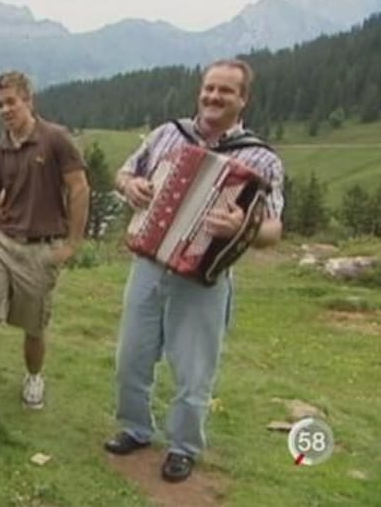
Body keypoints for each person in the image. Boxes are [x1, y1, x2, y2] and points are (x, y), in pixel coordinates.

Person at [103, 59, 285, 483]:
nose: (213, 97)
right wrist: (130, 185)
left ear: (243, 99)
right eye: (209, 89)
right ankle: (135, 427)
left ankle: (183, 446)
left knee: (194, 368)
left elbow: (274, 227)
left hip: (204, 277)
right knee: (131, 355)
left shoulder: (261, 158)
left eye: (225, 91)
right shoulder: (169, 134)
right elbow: (124, 172)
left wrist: (243, 226)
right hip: (149, 262)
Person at [0, 71, 89, 409]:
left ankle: (34, 378)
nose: (6, 110)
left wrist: (71, 244)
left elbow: (79, 188)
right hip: (3, 244)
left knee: (33, 327)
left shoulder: (55, 139)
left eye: (11, 102)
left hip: (42, 248)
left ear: (28, 101)